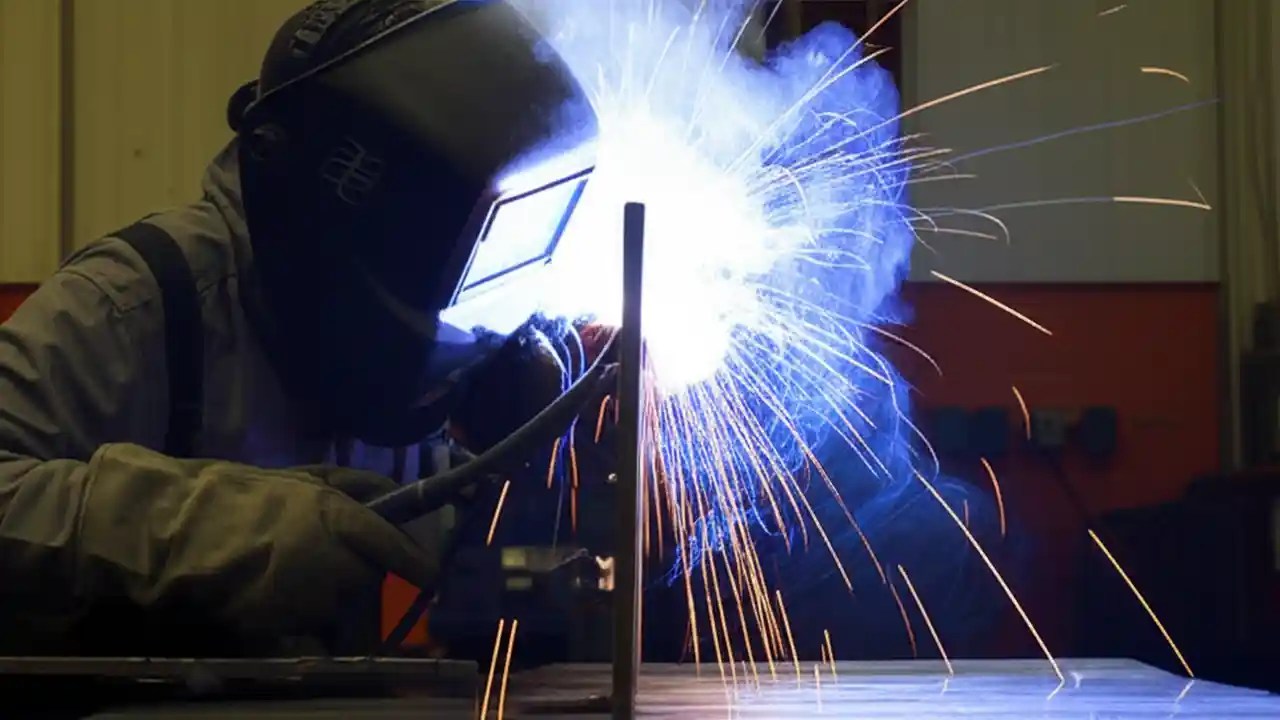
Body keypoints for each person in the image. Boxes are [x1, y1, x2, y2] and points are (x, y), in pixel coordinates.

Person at [0, 0, 597, 656]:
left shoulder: (403, 349)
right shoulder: (141, 302)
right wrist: (197, 528)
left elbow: (444, 564)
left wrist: (510, 471)